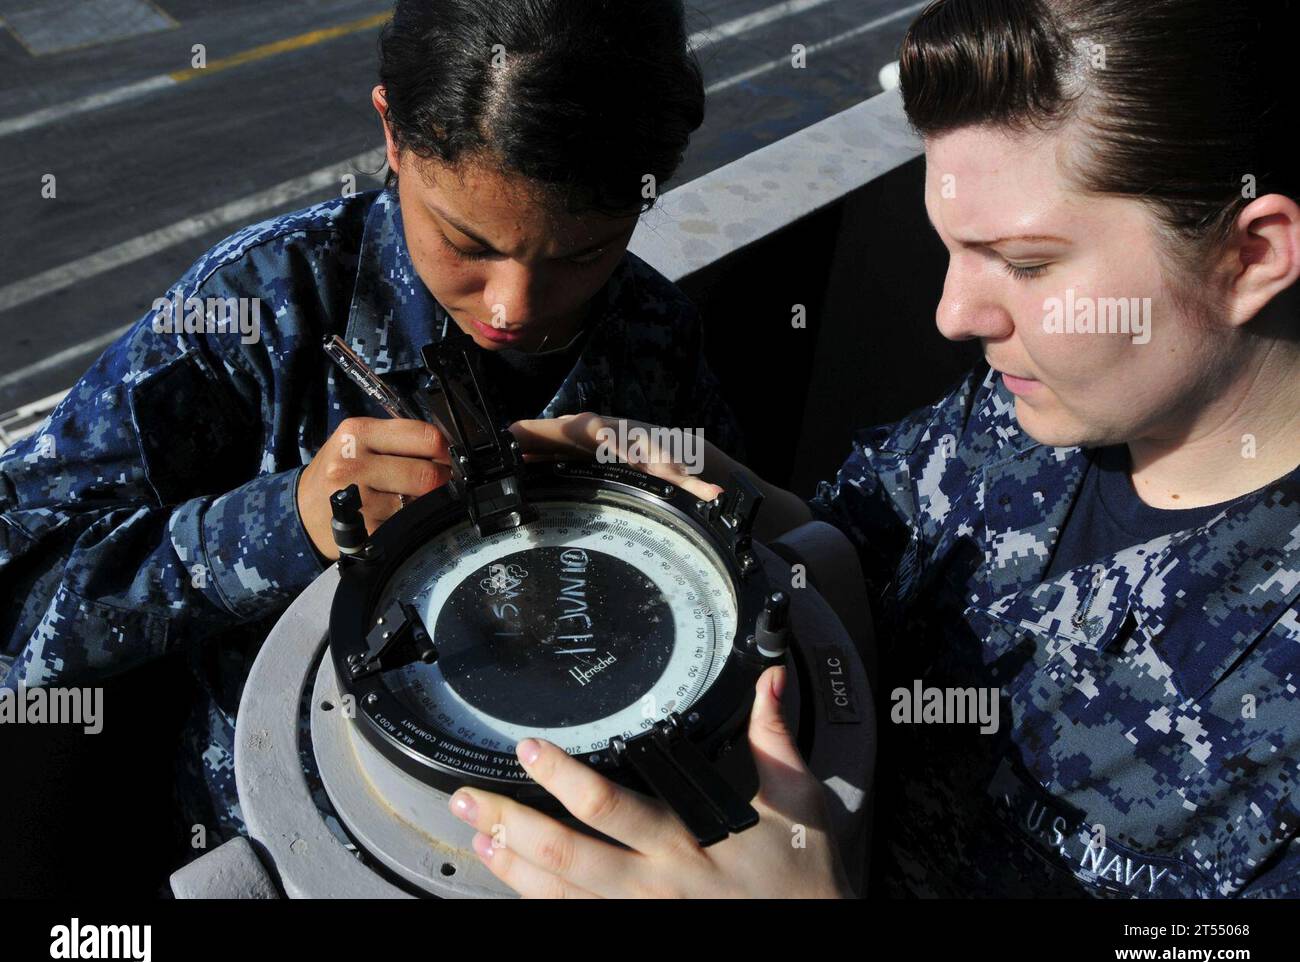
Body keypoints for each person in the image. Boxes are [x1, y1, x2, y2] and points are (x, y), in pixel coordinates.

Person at [462, 0, 1300, 898]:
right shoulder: (1038, 405)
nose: (955, 316)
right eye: (953, 252)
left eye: (1022, 265)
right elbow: (854, 550)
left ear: (1250, 256)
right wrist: (693, 478)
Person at [0, 0, 742, 861]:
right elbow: (16, 592)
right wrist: (283, 525)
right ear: (392, 132)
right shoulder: (257, 310)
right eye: (465, 241)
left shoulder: (656, 329)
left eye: (583, 254)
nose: (512, 309)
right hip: (302, 850)